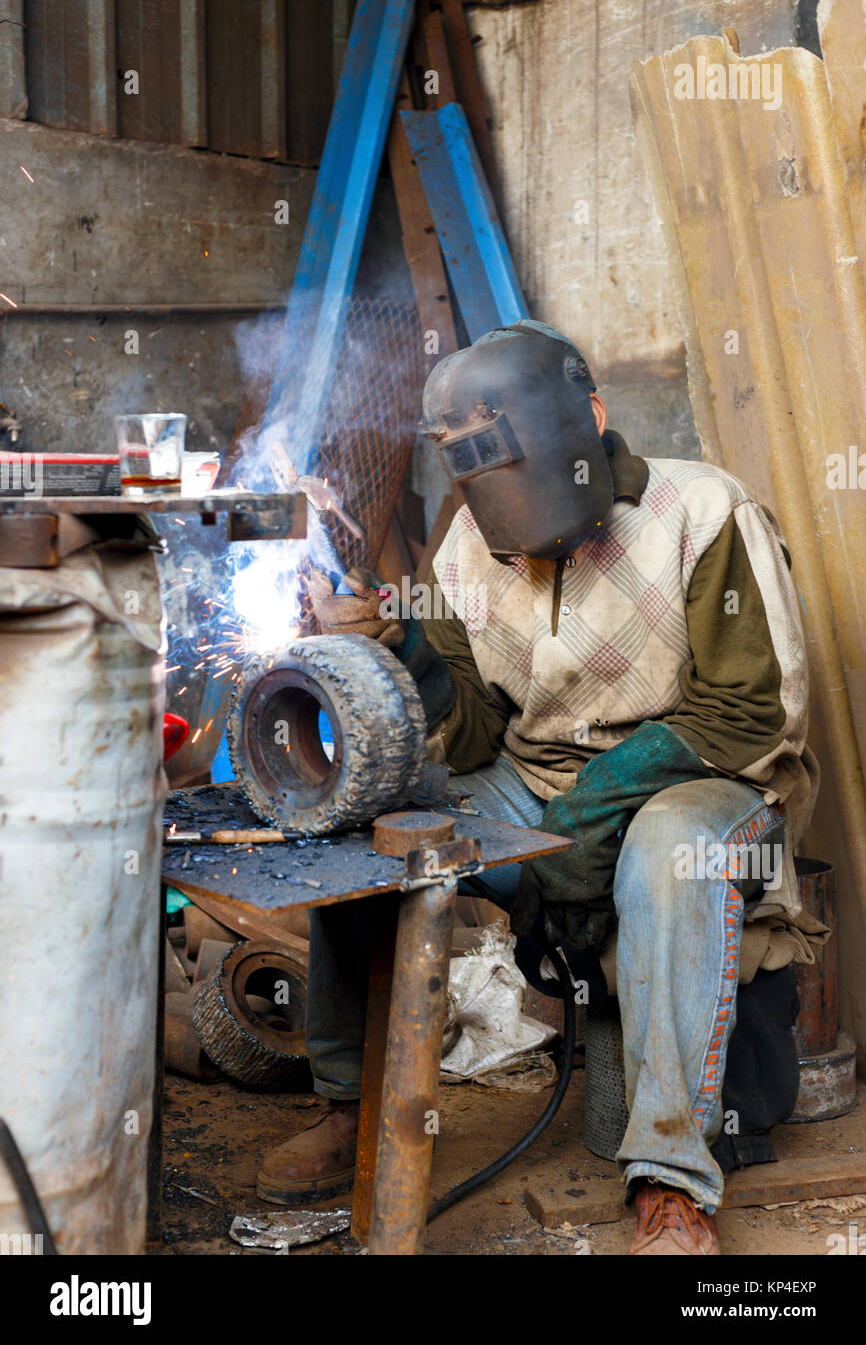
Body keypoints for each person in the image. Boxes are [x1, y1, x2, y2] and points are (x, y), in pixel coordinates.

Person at [257, 320, 819, 1255]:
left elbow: (751, 716)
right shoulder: (467, 548)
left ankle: (672, 1186)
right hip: (534, 777)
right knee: (371, 826)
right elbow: (474, 726)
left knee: (665, 857)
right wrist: (404, 660)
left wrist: (595, 809)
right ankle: (351, 1103)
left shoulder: (704, 512)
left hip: (707, 782)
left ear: (590, 419)